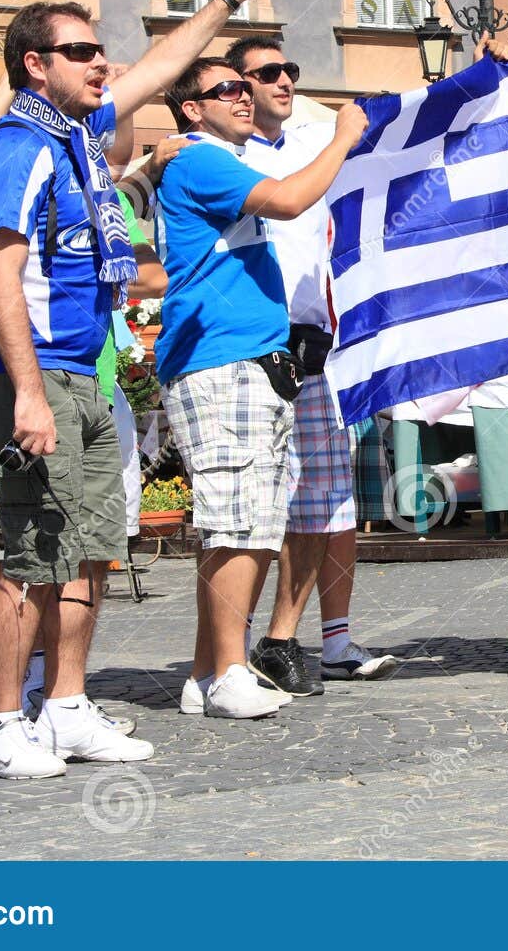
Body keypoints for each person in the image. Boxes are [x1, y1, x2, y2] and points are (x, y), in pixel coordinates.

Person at [0, 0, 287, 778]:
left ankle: (64, 706)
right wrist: (28, 395)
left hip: (85, 372)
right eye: (81, 52)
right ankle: (1, 724)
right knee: (33, 554)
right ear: (35, 65)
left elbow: (157, 64)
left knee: (93, 548)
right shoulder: (18, 145)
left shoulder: (79, 134)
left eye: (100, 49)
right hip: (27, 375)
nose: (103, 63)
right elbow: (0, 278)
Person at [155, 56, 367, 719]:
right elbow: (291, 197)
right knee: (238, 525)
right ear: (192, 107)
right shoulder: (200, 158)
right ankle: (228, 671)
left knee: (246, 520)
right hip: (224, 360)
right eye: (227, 88)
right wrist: (341, 140)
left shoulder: (212, 157)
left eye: (245, 88)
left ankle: (205, 671)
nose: (245, 96)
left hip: (249, 359)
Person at [226, 34, 398, 689]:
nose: (284, 80)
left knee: (329, 502)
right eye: (266, 72)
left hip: (317, 348)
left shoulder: (309, 141)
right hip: (249, 349)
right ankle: (235, 651)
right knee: (252, 508)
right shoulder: (219, 155)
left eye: (289, 69)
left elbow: (389, 137)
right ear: (235, 87)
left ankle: (329, 639)